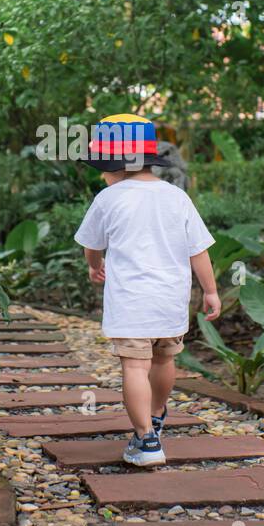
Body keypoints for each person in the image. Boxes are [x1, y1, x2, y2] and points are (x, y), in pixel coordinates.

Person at [73, 113, 220, 466]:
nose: (101, 175)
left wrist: (95, 265)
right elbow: (198, 249)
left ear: (115, 168)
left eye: (102, 168)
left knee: (135, 368)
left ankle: (146, 439)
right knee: (165, 359)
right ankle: (156, 413)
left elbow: (92, 245)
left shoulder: (108, 199)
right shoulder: (176, 197)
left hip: (131, 303)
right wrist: (211, 291)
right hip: (170, 300)